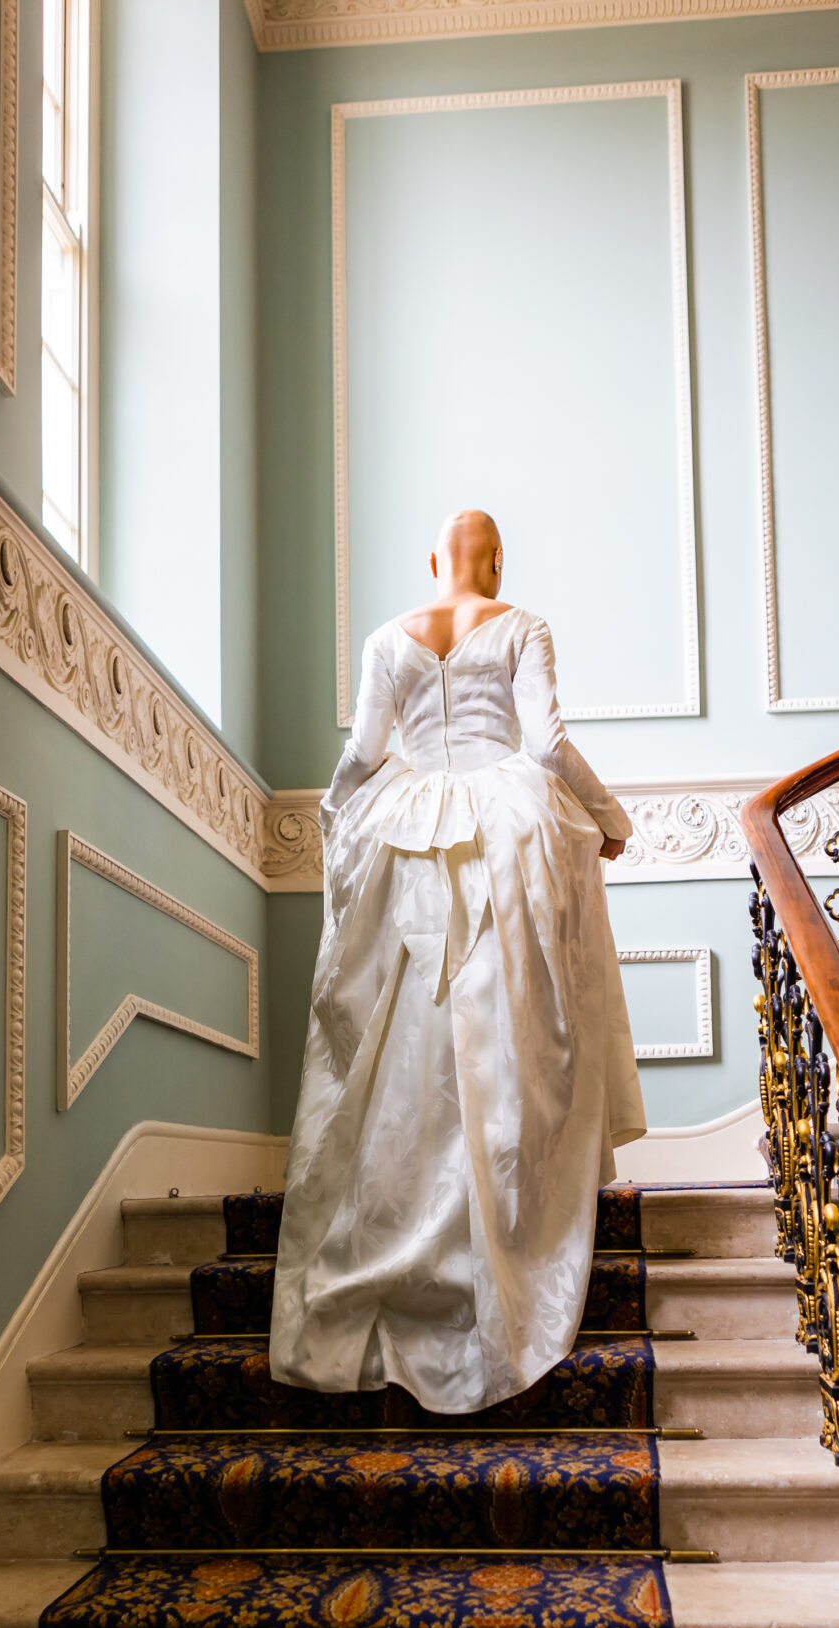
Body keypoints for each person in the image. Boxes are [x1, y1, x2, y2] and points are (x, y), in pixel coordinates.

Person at [269, 510, 646, 1414]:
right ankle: (500, 1238)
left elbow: (362, 756)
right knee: (505, 1030)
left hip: (407, 829)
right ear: (496, 560)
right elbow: (546, 745)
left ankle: (400, 1241)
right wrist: (612, 819)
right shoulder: (520, 624)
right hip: (502, 828)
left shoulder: (387, 637)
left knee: (413, 1038)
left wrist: (336, 832)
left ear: (435, 563)